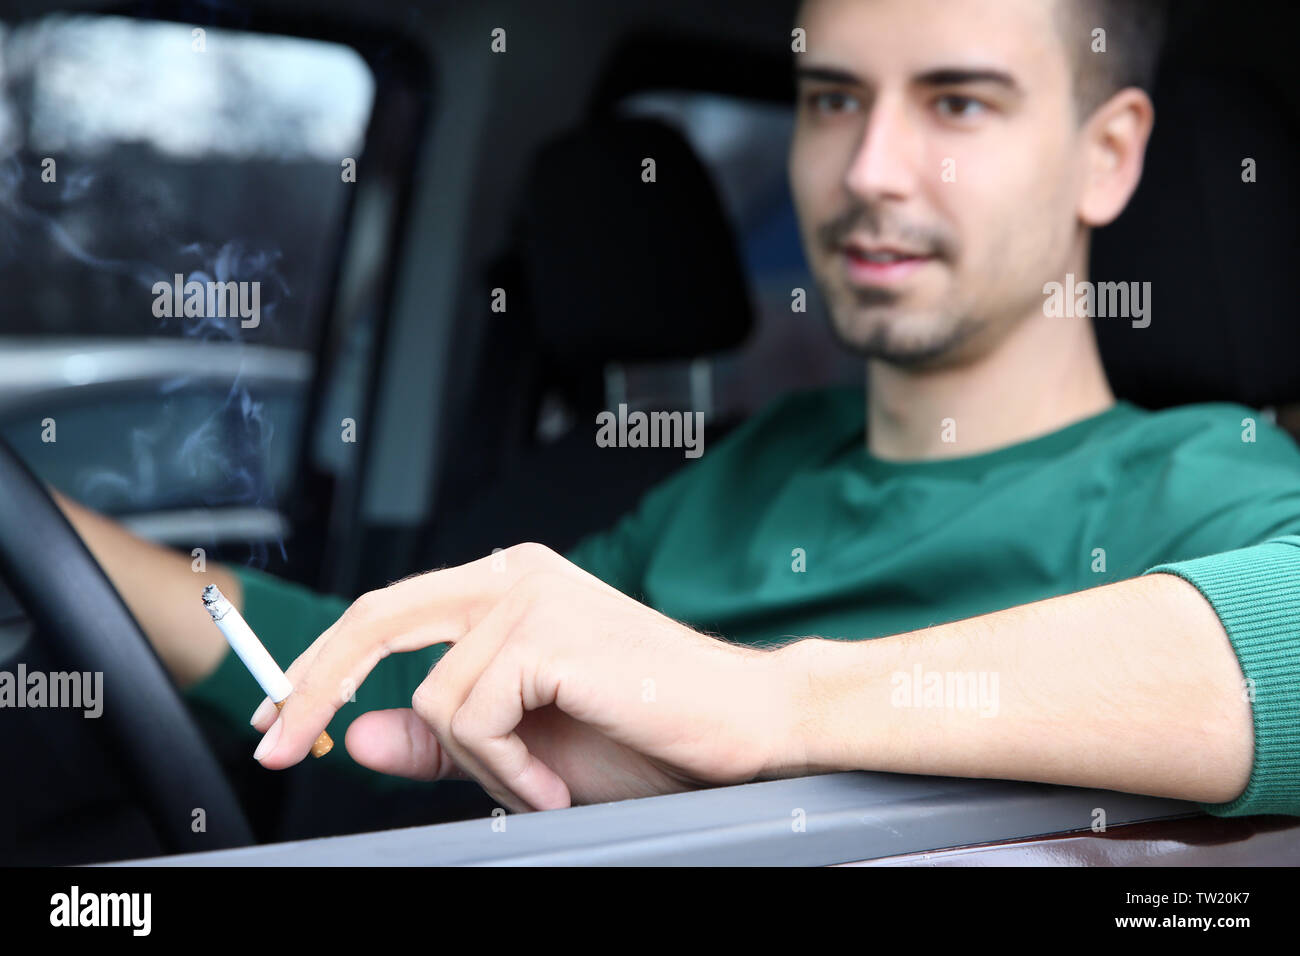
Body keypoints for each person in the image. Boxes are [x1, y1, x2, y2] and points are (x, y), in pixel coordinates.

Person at [58, 0, 1300, 817]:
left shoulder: (1207, 485)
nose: (867, 170)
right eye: (831, 99)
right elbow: (397, 683)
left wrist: (775, 707)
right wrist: (56, 535)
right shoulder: (740, 474)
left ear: (1107, 153)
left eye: (957, 103)